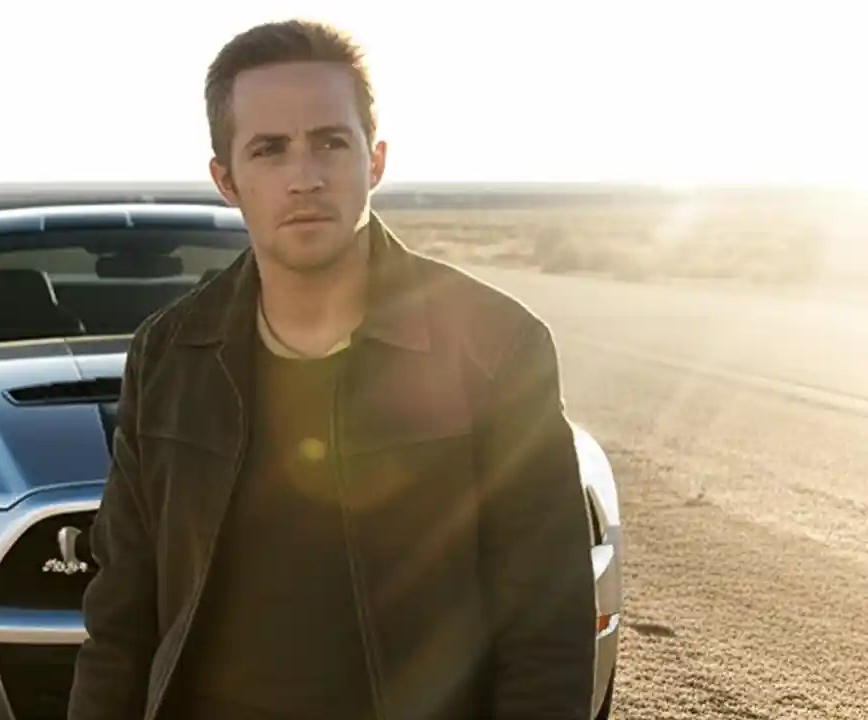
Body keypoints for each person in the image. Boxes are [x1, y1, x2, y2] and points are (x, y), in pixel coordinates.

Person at [67, 18, 598, 720]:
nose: (305, 177)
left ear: (374, 161)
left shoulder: (495, 346)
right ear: (226, 179)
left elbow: (546, 629)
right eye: (270, 150)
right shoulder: (167, 357)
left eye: (330, 143)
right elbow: (122, 620)